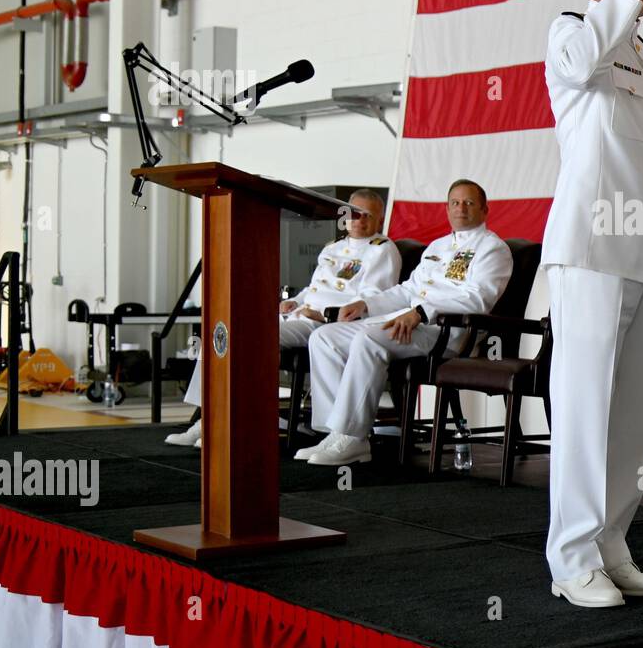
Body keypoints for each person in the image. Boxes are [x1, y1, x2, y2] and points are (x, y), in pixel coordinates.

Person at [543, 0, 643, 608]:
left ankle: (611, 543)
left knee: (631, 418)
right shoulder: (574, 32)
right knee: (584, 408)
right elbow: (578, 64)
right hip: (591, 250)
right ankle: (571, 558)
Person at [164, 189, 399, 448]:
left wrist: (320, 314)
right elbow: (314, 289)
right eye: (355, 213)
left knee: (255, 337)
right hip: (300, 317)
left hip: (329, 326)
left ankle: (244, 420)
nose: (359, 220)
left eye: (367, 215)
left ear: (379, 219)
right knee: (224, 335)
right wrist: (294, 302)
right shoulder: (334, 247)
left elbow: (368, 302)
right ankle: (208, 418)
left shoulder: (382, 251)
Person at [302, 179, 512, 466]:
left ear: (485, 210)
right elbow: (408, 290)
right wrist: (367, 305)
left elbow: (478, 300)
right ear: (447, 209)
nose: (460, 208)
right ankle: (333, 432)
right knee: (325, 337)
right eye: (454, 202)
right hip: (410, 323)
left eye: (469, 203)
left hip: (448, 331)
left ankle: (353, 438)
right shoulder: (437, 246)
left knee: (370, 339)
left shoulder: (493, 249)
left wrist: (422, 312)